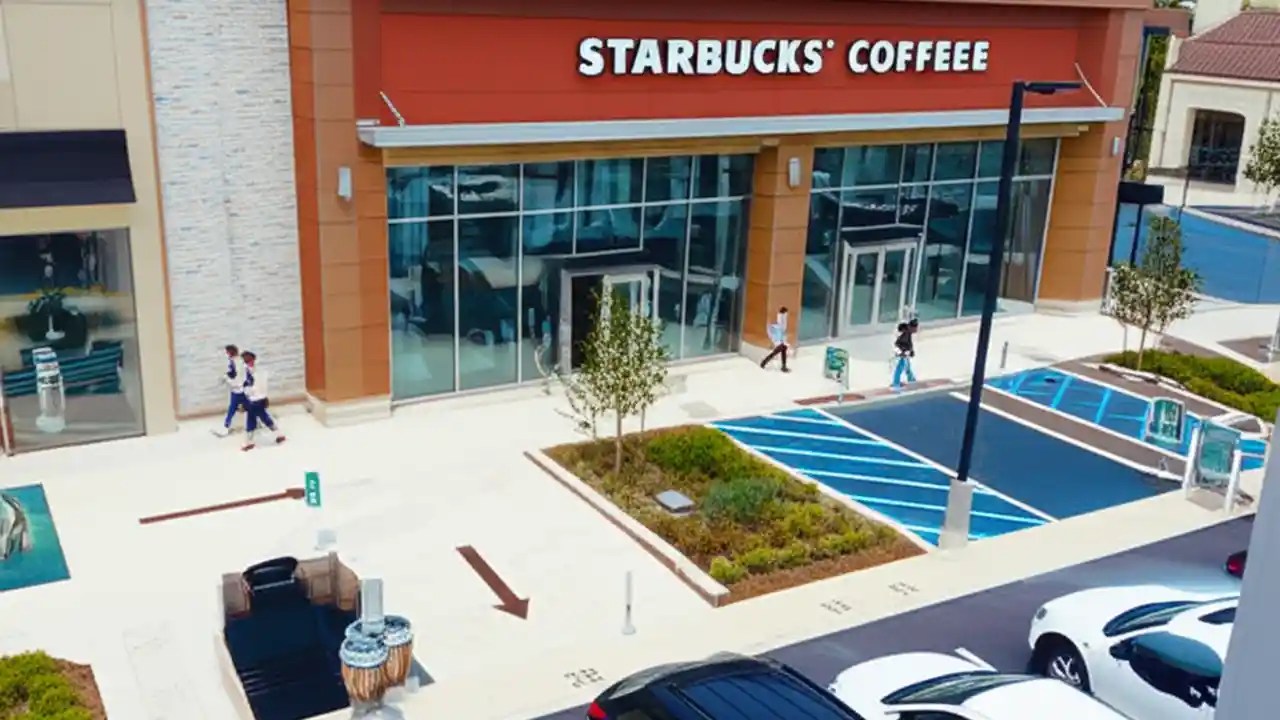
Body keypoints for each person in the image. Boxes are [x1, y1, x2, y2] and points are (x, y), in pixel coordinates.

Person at [240, 351, 286, 451]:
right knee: (256, 419)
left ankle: (278, 435)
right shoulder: (244, 372)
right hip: (251, 399)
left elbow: (262, 385)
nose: (248, 362)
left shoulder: (258, 372)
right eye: (246, 361)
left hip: (257, 399)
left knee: (261, 419)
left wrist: (264, 397)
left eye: (249, 360)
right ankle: (278, 435)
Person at [213, 344, 248, 437]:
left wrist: (227, 379)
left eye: (227, 352)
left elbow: (238, 379)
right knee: (234, 408)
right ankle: (226, 426)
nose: (226, 354)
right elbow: (233, 373)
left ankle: (226, 427)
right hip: (238, 389)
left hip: (239, 390)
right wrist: (227, 376)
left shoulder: (237, 363)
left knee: (233, 408)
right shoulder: (236, 361)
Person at [759, 306, 791, 373]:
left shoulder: (781, 318)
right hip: (778, 340)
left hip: (780, 339)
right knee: (778, 351)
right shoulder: (781, 319)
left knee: (782, 350)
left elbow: (782, 326)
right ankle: (764, 362)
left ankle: (783, 366)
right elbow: (781, 325)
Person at [891, 318, 918, 390]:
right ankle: (896, 383)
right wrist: (900, 353)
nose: (916, 330)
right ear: (911, 327)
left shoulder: (908, 333)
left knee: (907, 366)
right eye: (915, 328)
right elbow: (896, 344)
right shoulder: (903, 333)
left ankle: (911, 380)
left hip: (904, 353)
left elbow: (909, 343)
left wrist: (911, 350)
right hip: (900, 353)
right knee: (900, 367)